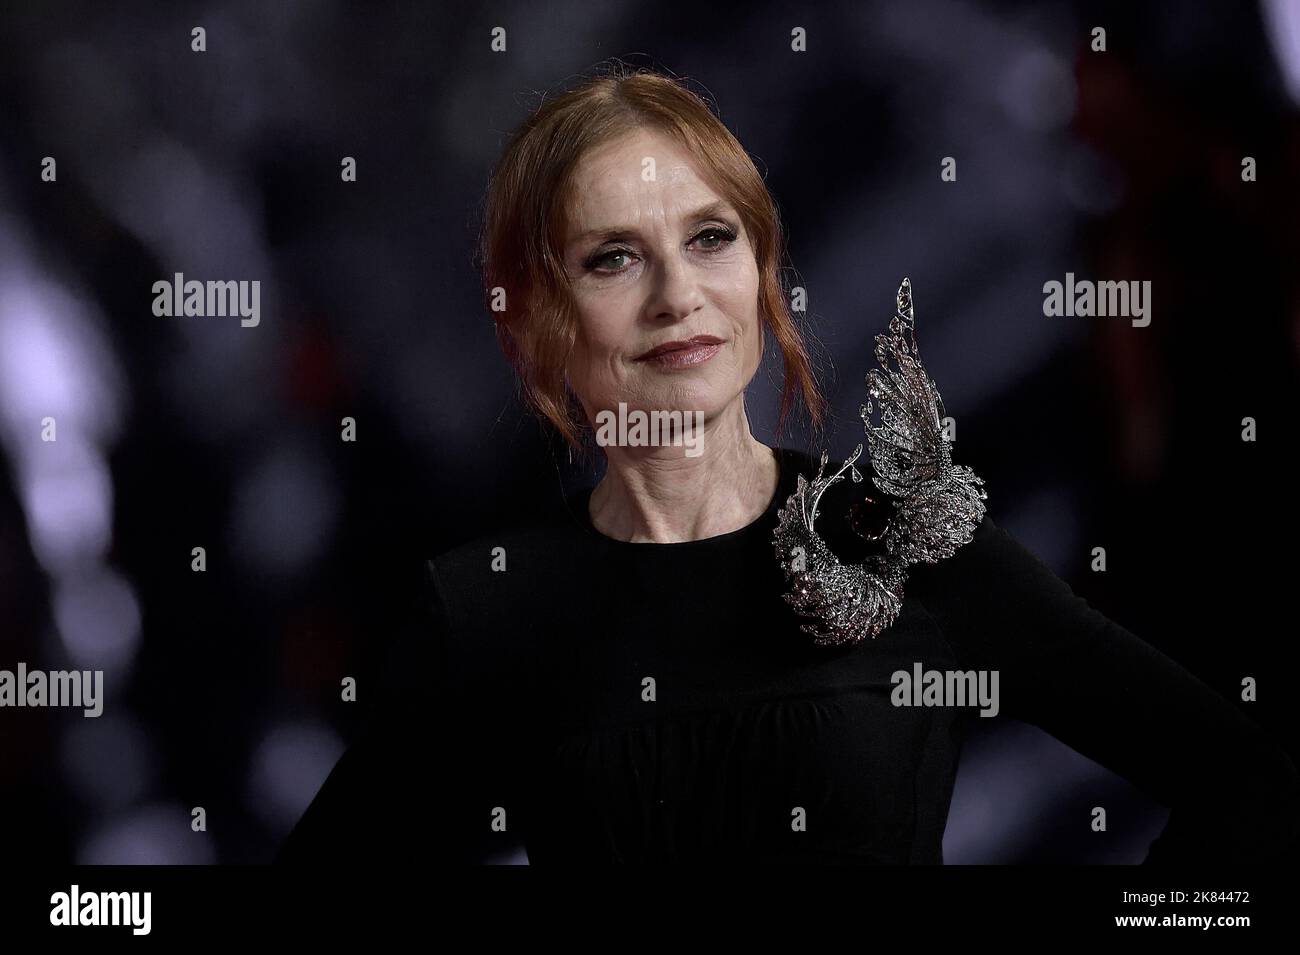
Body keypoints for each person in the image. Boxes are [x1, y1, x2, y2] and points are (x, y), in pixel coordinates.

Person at [276, 65, 1299, 865]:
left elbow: (1226, 768)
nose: (675, 295)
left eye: (708, 238)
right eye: (611, 260)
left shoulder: (913, 542)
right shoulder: (486, 632)